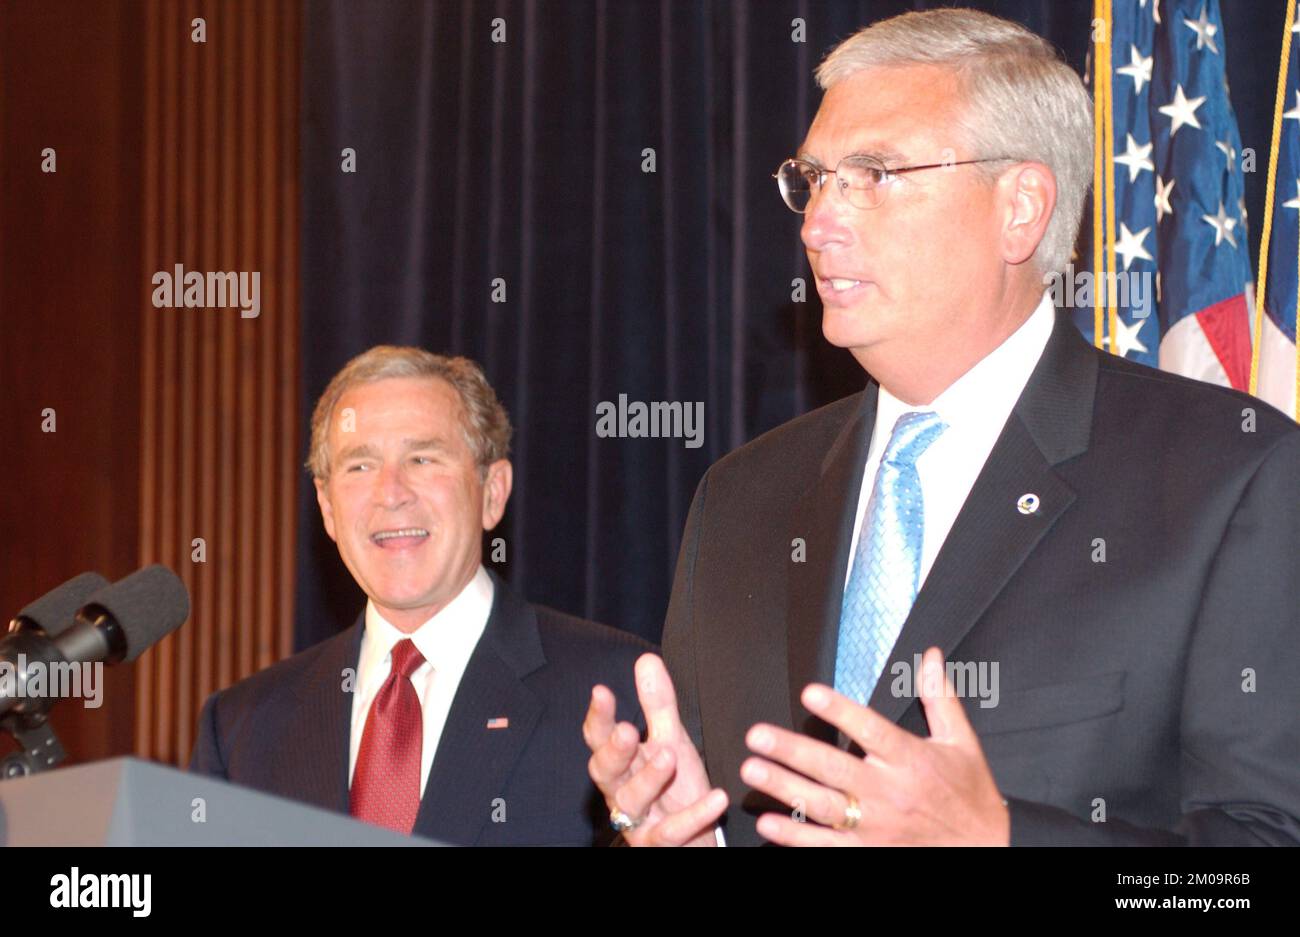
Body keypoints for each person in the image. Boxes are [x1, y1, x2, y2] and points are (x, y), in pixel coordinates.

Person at [585, 8, 1300, 846]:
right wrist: (681, 835)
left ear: (1021, 209)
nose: (817, 225)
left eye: (876, 174)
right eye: (813, 180)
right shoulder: (741, 500)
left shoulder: (1230, 477)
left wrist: (996, 837)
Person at [192, 346, 650, 845]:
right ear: (326, 507)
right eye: (360, 466)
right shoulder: (242, 728)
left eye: (423, 458)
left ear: (492, 492)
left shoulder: (619, 688)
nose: (391, 492)